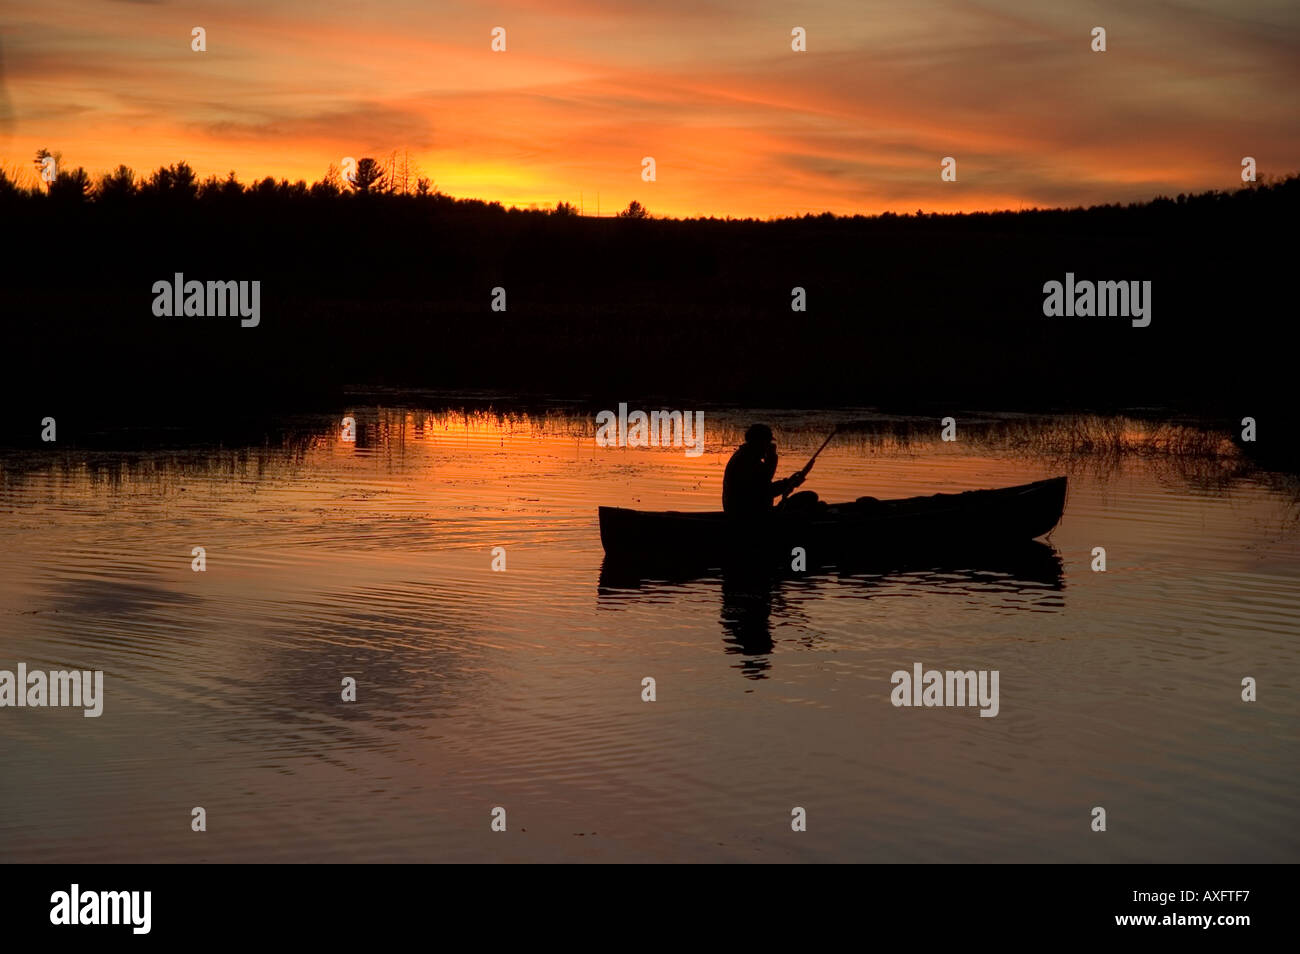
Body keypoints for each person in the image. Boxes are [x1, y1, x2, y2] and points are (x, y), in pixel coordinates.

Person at [722, 424, 809, 517]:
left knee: (808, 498)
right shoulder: (746, 461)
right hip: (747, 514)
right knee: (809, 500)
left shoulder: (747, 457)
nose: (770, 446)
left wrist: (789, 482)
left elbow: (764, 486)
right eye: (768, 442)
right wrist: (772, 458)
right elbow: (765, 489)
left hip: (748, 510)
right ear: (760, 442)